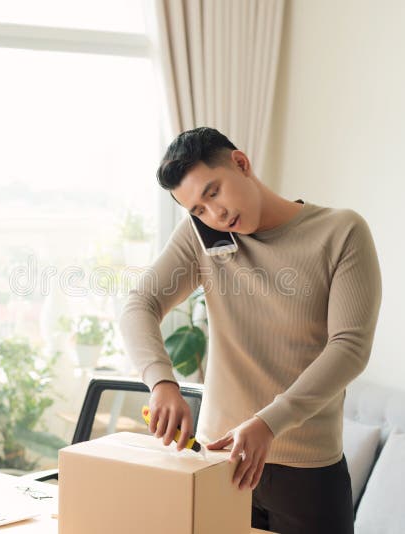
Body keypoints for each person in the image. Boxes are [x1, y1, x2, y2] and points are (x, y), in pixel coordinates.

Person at [118, 126, 382, 533]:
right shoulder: (202, 236)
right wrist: (161, 382)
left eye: (214, 192)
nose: (215, 214)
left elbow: (349, 347)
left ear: (241, 163)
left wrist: (269, 423)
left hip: (307, 475)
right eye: (198, 209)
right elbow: (140, 304)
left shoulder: (340, 232)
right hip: (217, 464)